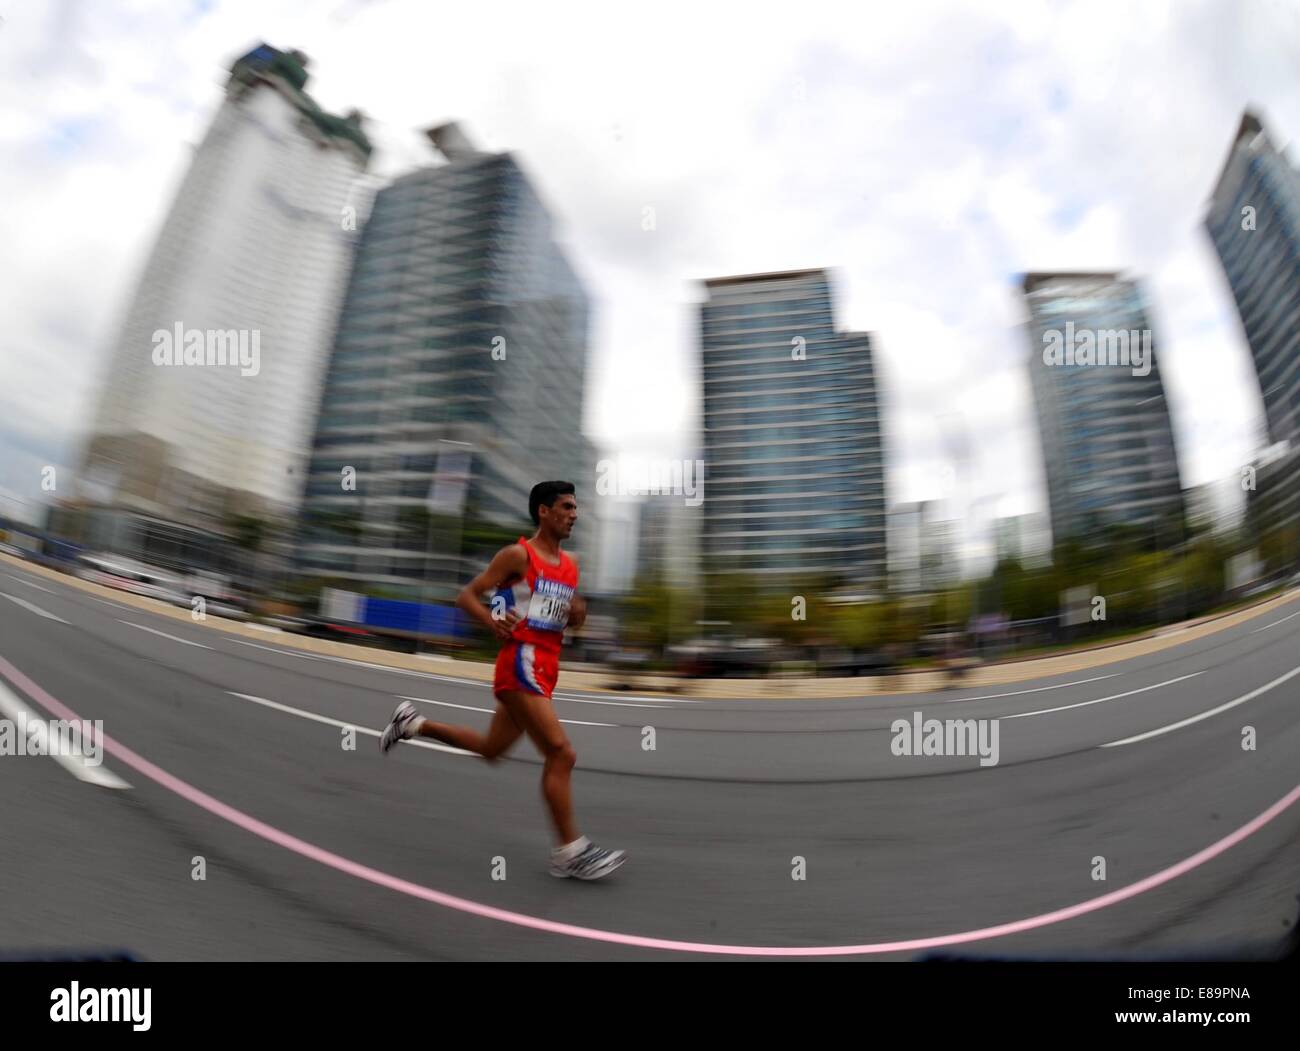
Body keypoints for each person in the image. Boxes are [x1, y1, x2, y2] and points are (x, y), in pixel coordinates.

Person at [379, 480, 626, 880]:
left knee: (491, 749)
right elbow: (469, 596)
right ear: (544, 512)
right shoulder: (518, 555)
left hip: (547, 666)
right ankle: (571, 852)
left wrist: (577, 615)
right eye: (566, 506)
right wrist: (493, 620)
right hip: (520, 662)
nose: (574, 514)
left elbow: (555, 615)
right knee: (561, 753)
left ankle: (412, 723)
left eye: (576, 508)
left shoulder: (571, 565)